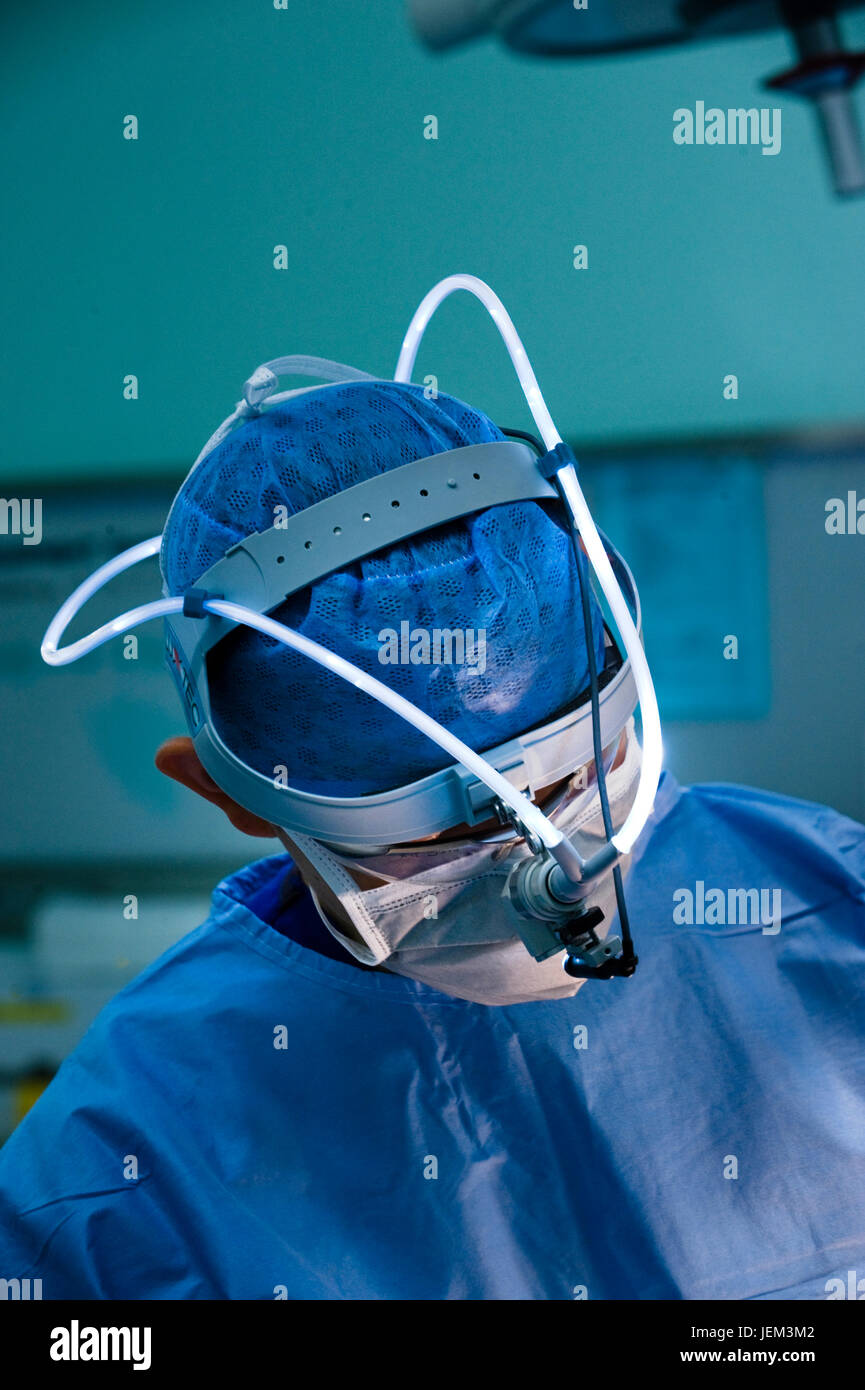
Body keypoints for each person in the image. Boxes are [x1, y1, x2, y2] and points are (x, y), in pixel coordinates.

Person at [1, 366, 864, 1303]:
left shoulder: (834, 909)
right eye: (445, 832)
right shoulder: (113, 1181)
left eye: (573, 782)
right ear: (229, 793)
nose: (546, 866)